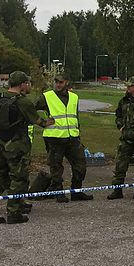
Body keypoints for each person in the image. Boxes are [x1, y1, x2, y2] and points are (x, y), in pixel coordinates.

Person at [0, 71, 55, 225]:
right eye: (28, 83)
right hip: (16, 147)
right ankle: (14, 213)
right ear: (22, 85)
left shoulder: (0, 98)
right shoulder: (22, 102)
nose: (29, 86)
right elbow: (39, 121)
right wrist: (50, 122)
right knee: (18, 179)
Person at [35, 72, 93, 202]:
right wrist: (42, 122)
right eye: (56, 82)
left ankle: (76, 191)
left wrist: (78, 133)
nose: (58, 84)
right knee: (56, 167)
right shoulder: (47, 96)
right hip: (54, 138)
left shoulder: (74, 97)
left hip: (72, 138)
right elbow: (31, 110)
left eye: (60, 82)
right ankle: (58, 192)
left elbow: (75, 117)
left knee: (80, 165)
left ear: (67, 82)